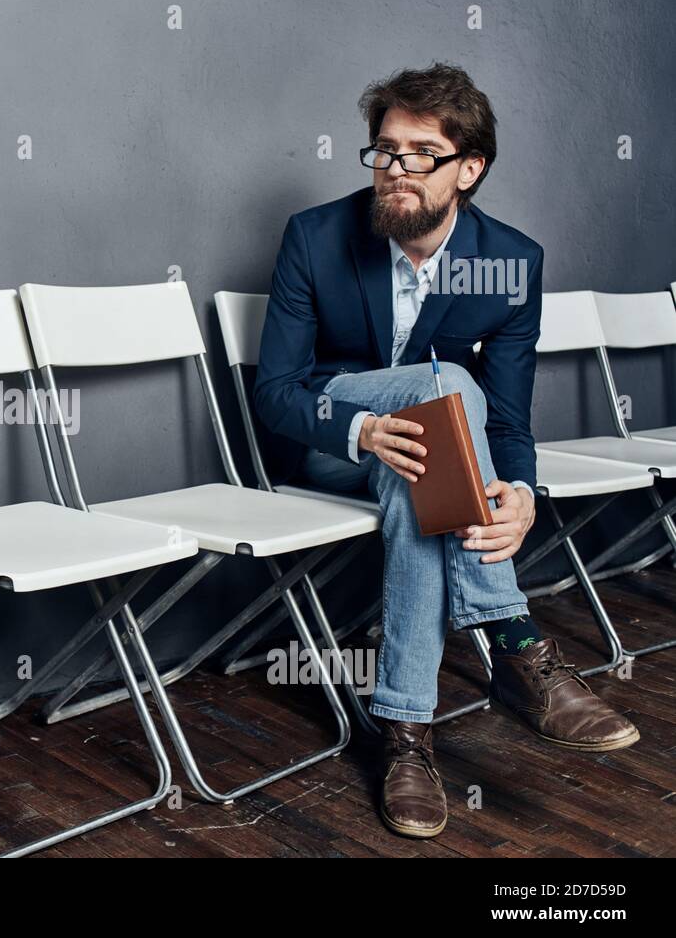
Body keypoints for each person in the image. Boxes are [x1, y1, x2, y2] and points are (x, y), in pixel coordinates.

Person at [255, 63, 638, 839]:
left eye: (421, 154)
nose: (396, 170)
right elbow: (278, 392)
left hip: (417, 469)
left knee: (428, 455)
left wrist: (521, 492)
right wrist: (360, 428)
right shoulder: (317, 236)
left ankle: (407, 738)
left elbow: (507, 420)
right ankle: (515, 642)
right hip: (333, 446)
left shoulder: (512, 264)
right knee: (449, 387)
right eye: (385, 151)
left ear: (471, 168)